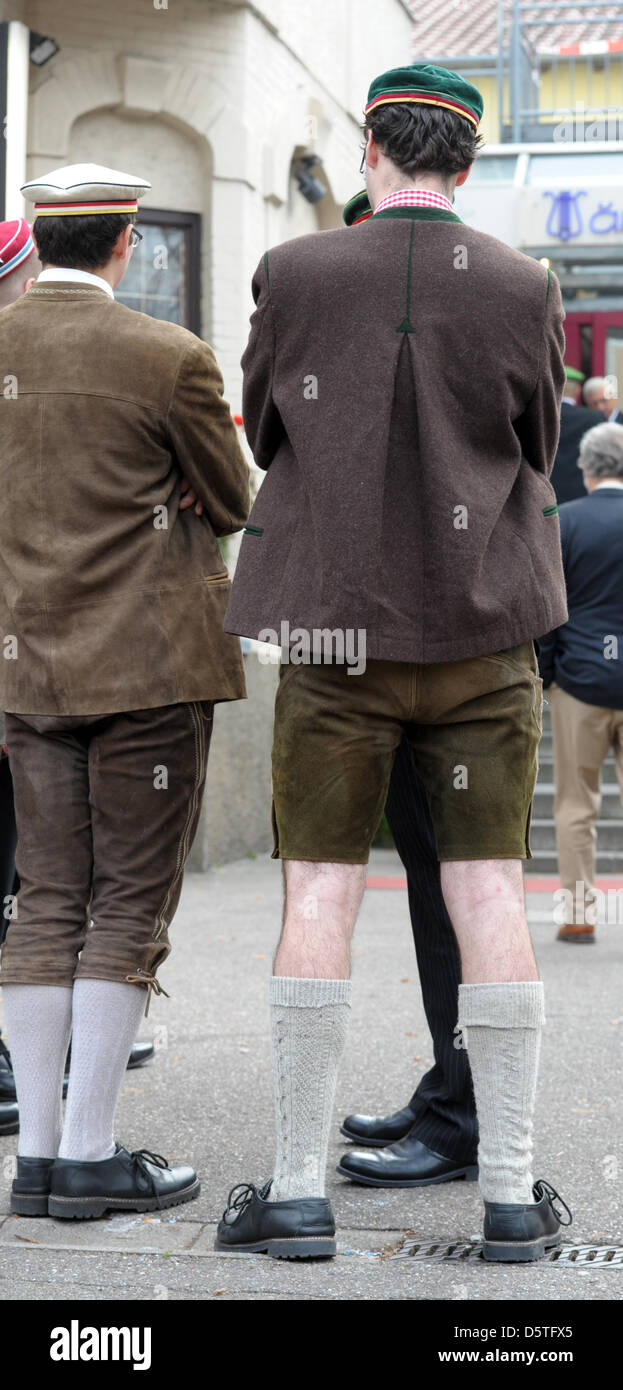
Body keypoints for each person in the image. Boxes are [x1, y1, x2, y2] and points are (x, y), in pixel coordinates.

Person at [217, 63, 572, 1263]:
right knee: (487, 896)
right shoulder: (523, 283)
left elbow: (263, 426)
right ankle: (513, 1194)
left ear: (372, 148)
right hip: (481, 635)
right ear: (464, 166)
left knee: (318, 887)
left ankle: (298, 1190)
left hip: (336, 631)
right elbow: (537, 439)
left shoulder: (296, 270)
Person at [0, 163, 249, 1220]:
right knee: (129, 903)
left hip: (26, 667)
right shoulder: (168, 357)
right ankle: (92, 1149)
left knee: (46, 896)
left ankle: (39, 1160)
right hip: (146, 666)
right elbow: (234, 497)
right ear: (126, 242)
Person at [334, 198, 479, 1189]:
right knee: (438, 897)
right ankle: (449, 1092)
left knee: (462, 900)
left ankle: (465, 1119)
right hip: (382, 651)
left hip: (443, 656)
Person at [0, 217, 153, 1137]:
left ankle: (46, 1097)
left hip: (36, 666)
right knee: (60, 885)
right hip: (54, 666)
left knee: (44, 885)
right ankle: (70, 1126)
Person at [338, 736, 479, 1187]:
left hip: (464, 679)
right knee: (429, 870)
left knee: (463, 874)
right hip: (400, 676)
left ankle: (462, 1119)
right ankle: (451, 1084)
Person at [538, 421, 623, 943]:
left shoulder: (563, 522)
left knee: (575, 804)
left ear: (586, 469)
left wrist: (547, 676)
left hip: (581, 681)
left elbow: (548, 611)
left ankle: (578, 914)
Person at [550, 366, 603, 504]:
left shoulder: (537, 417)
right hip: (581, 497)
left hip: (545, 498)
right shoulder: (595, 418)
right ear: (578, 390)